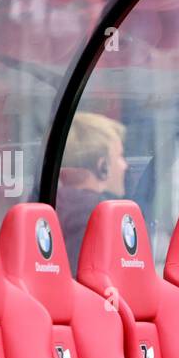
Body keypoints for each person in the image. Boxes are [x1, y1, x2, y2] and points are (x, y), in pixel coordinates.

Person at [57, 112, 129, 273]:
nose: (125, 165)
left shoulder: (55, 203)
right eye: (120, 156)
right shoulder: (97, 213)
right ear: (103, 166)